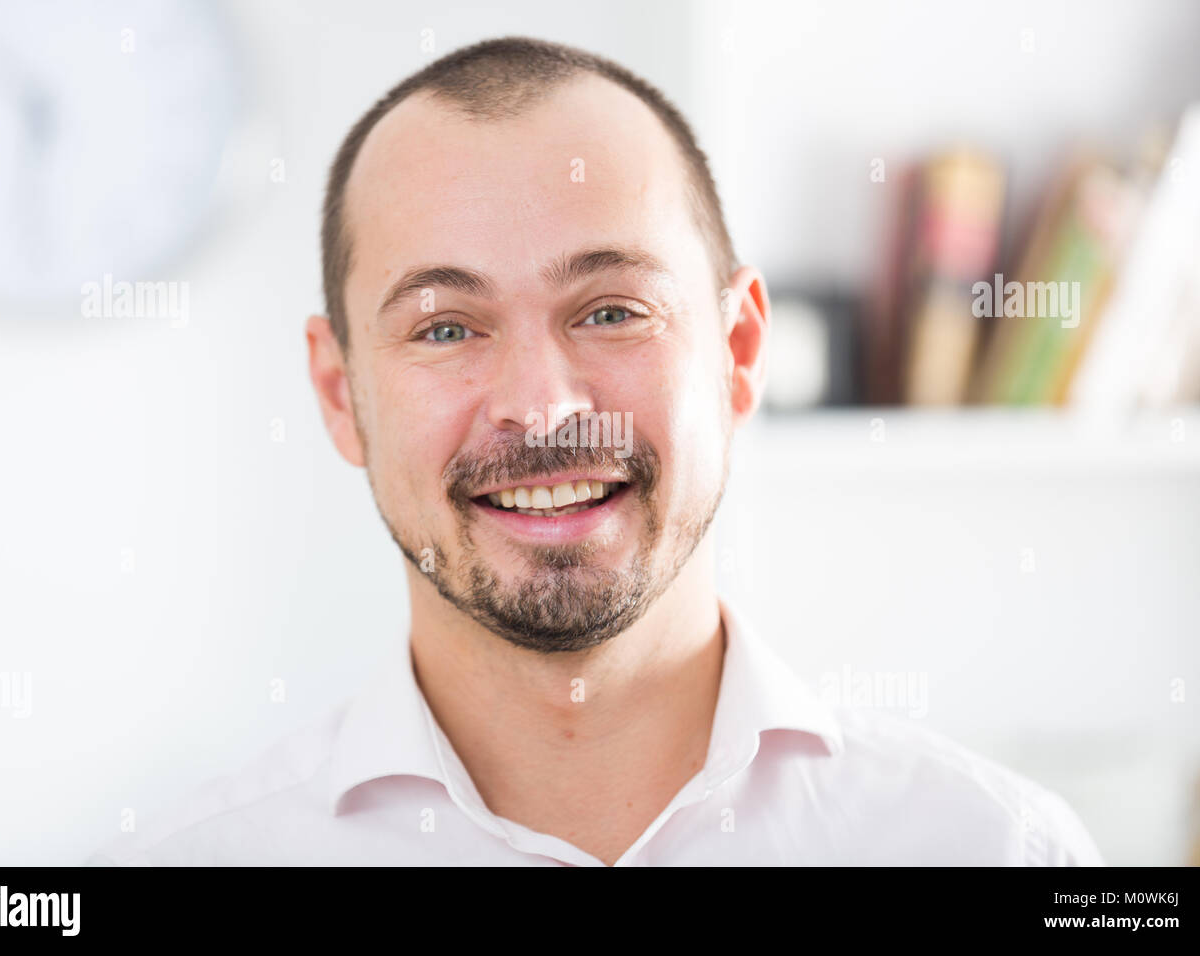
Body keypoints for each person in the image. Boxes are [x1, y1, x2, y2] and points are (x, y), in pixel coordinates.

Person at [90, 35, 1103, 866]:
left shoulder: (1001, 852)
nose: (539, 407)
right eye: (445, 327)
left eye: (611, 310)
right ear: (338, 392)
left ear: (740, 350)